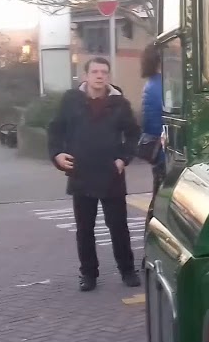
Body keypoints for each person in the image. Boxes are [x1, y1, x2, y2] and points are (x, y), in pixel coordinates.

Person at [47, 57, 142, 292]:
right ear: (86, 76)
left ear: (108, 77)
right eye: (95, 72)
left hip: (111, 174)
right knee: (85, 228)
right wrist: (57, 155)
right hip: (81, 173)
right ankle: (88, 274)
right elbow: (56, 129)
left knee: (118, 226)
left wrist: (123, 159)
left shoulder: (119, 103)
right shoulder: (71, 100)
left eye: (104, 72)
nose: (100, 76)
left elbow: (132, 134)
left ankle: (127, 270)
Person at [139, 42, 166, 222]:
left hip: (156, 149)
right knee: (161, 199)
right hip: (164, 150)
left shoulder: (151, 84)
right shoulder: (162, 85)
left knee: (158, 194)